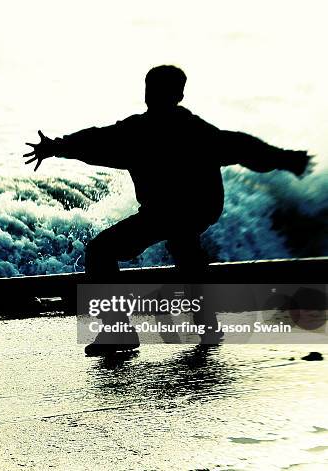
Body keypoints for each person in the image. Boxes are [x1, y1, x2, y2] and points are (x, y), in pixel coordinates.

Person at [23, 65, 312, 354]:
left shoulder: (164, 131)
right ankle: (207, 325)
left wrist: (285, 158)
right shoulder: (158, 129)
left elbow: (241, 146)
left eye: (156, 89)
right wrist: (57, 146)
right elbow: (97, 139)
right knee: (184, 243)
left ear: (177, 95)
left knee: (101, 250)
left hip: (177, 210)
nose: (151, 95)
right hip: (196, 209)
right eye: (149, 88)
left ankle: (119, 331)